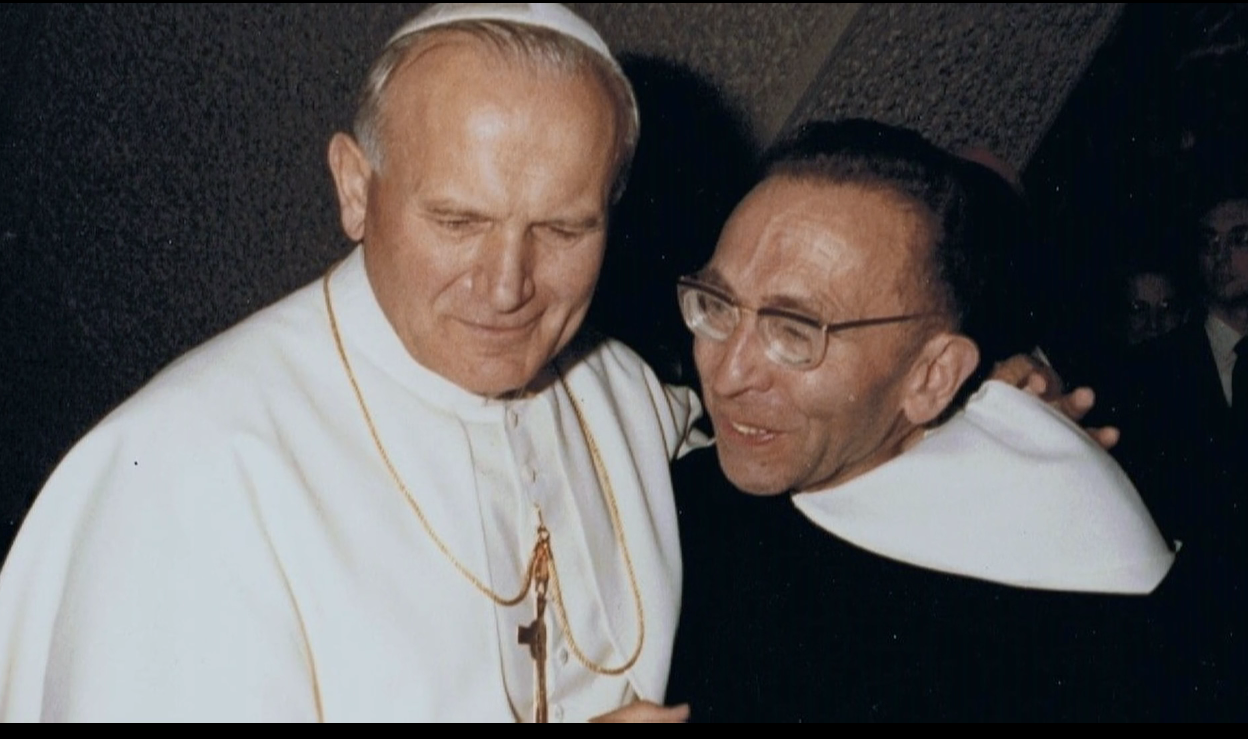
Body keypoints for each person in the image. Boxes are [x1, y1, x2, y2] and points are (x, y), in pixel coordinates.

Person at [0, 4, 702, 722]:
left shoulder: (621, 391)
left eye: (563, 229)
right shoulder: (188, 469)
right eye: (459, 222)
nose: (507, 287)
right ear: (355, 188)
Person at [664, 119, 1176, 721]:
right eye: (716, 307)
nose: (726, 376)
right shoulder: (685, 504)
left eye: (794, 332)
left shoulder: (1068, 614)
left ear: (932, 376)